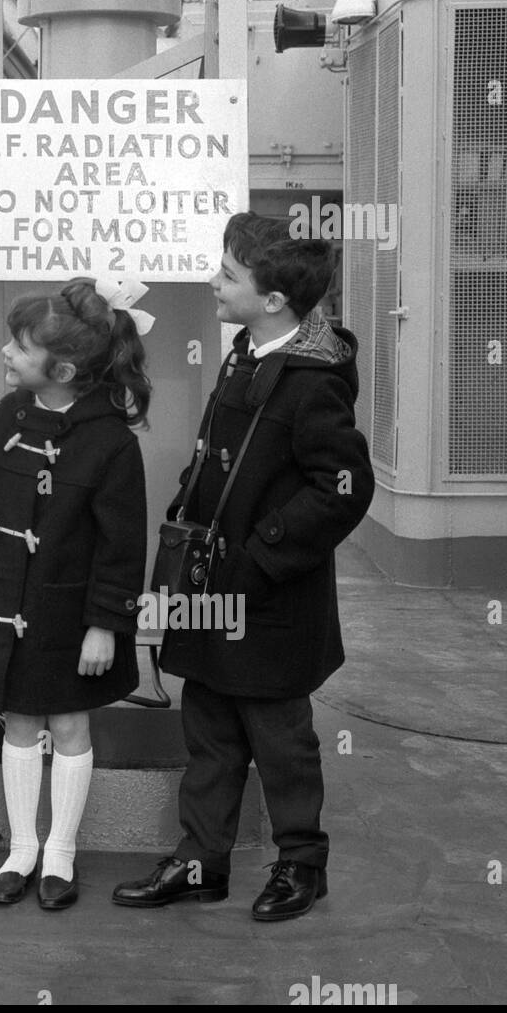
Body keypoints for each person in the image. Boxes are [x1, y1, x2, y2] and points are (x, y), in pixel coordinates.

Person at [112, 213, 374, 921]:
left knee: (279, 737)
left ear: (273, 302)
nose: (212, 282)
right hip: (210, 590)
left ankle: (300, 866)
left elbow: (342, 490)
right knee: (208, 727)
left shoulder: (312, 380)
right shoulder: (243, 352)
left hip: (267, 598)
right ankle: (202, 862)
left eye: (227, 275)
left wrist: (260, 557)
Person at [0, 278, 152, 911]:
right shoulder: (4, 417)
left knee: (67, 722)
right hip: (2, 600)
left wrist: (105, 625)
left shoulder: (111, 441)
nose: (6, 352)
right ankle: (22, 850)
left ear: (60, 369)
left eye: (19, 346)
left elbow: (123, 544)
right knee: (19, 719)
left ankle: (60, 853)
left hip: (68, 611)